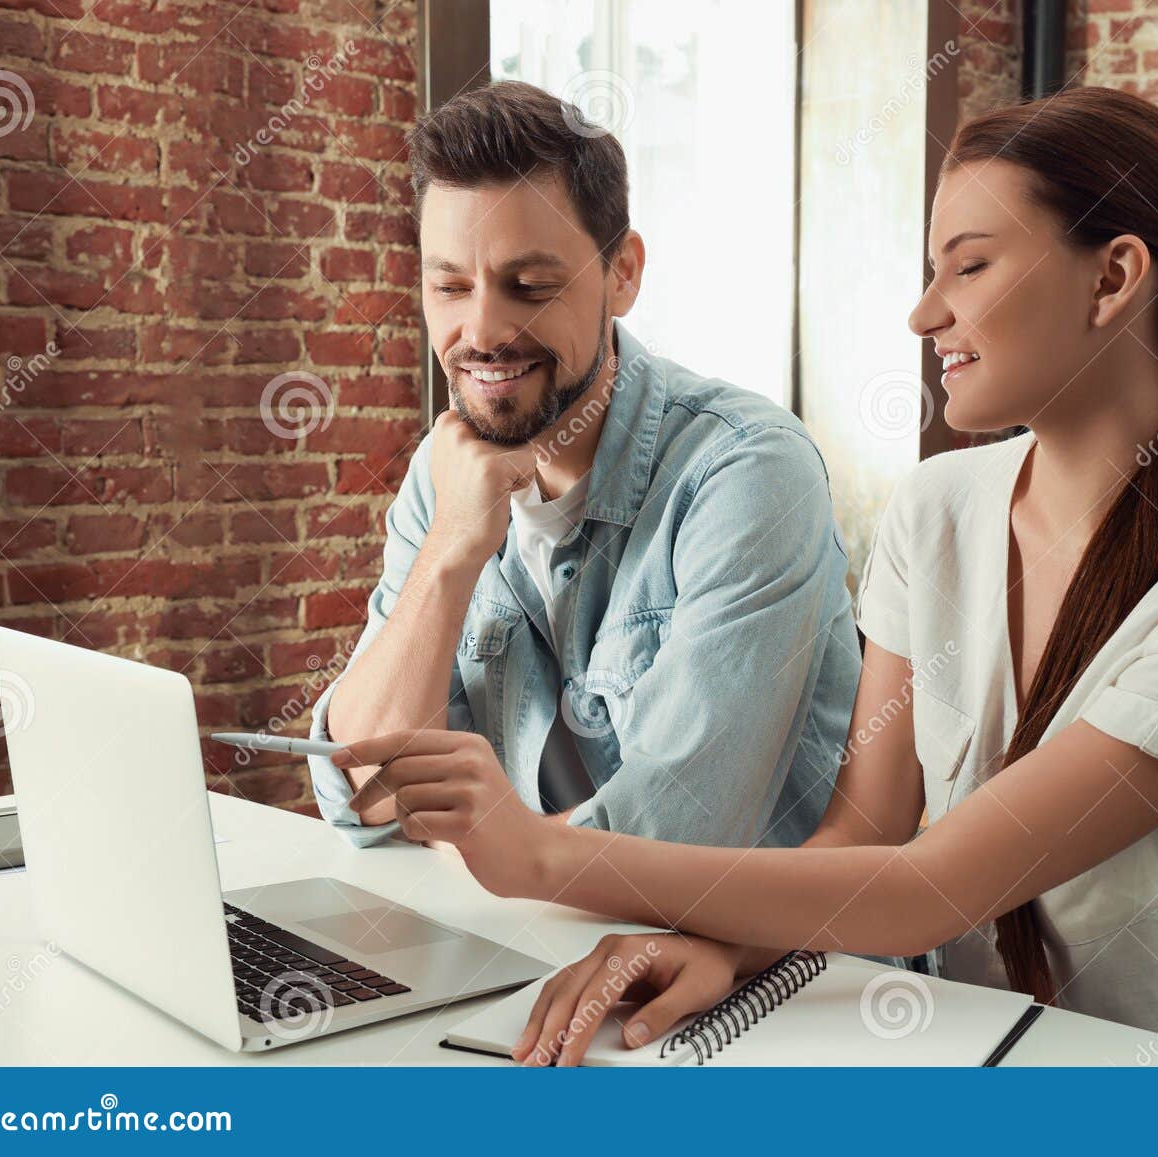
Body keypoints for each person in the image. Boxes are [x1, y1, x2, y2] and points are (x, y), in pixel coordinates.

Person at [331, 86, 1158, 1067]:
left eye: (969, 266)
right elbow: (866, 831)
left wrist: (534, 855)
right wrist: (725, 947)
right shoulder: (936, 507)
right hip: (1018, 1045)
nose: (923, 312)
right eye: (930, 269)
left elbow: (934, 885)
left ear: (1113, 278)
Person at [307, 81, 860, 852]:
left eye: (530, 286)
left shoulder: (747, 472)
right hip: (515, 918)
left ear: (622, 273)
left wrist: (493, 848)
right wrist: (450, 552)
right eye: (450, 286)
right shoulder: (445, 474)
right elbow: (365, 792)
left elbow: (679, 834)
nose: (483, 331)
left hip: (739, 937)